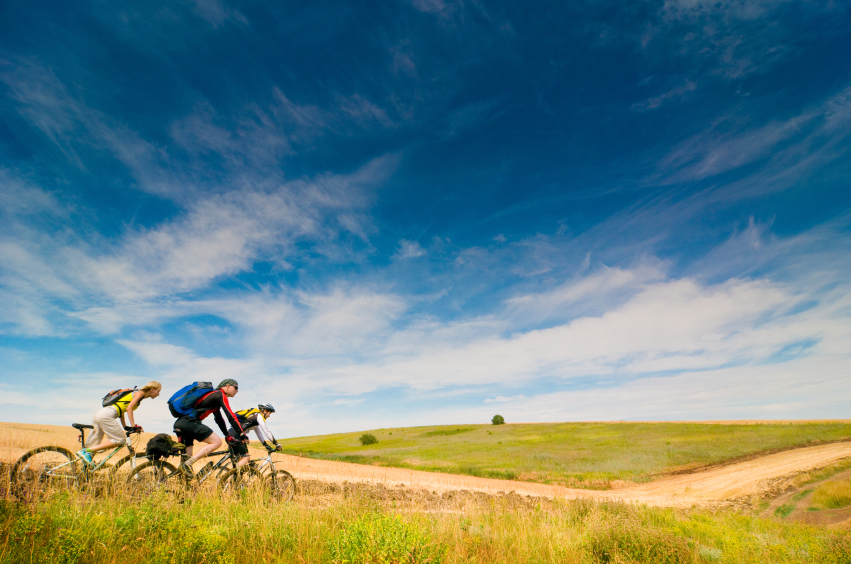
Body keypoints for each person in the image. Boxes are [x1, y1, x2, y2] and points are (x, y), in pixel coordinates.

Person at [172, 378, 247, 474]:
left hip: (182, 423)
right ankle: (187, 464)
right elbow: (230, 415)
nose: (237, 391)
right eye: (236, 388)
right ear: (227, 386)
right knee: (216, 442)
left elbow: (219, 419)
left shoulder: (214, 397)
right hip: (190, 423)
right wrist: (241, 433)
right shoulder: (220, 394)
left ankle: (184, 479)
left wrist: (227, 435)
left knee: (187, 468)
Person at [77, 381, 162, 464]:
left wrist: (125, 427)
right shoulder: (140, 393)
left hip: (101, 413)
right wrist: (134, 426)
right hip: (106, 415)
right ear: (152, 389)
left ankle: (85, 466)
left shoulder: (137, 394)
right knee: (119, 440)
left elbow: (122, 411)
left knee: (94, 442)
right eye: (158, 391)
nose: (158, 394)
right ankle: (86, 451)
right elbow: (129, 408)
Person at [228, 403, 281, 467]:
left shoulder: (255, 418)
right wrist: (276, 443)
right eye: (269, 413)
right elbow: (266, 432)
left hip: (232, 433)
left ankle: (235, 475)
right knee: (246, 458)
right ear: (265, 411)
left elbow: (259, 434)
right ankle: (231, 473)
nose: (269, 415)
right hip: (236, 435)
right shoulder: (259, 417)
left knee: (240, 460)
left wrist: (266, 445)